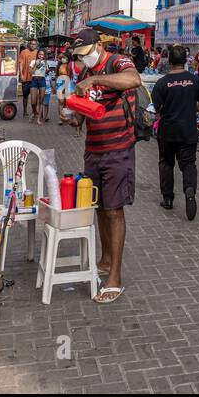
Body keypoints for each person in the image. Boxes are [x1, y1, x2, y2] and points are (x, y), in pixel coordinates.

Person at [70, 28, 143, 304]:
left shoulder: (117, 62)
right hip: (93, 150)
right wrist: (71, 114)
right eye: (79, 56)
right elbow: (81, 116)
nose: (82, 60)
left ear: (98, 46)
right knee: (99, 207)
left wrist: (97, 79)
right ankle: (105, 258)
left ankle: (115, 277)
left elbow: (133, 80)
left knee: (114, 209)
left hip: (118, 149)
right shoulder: (83, 74)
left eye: (86, 54)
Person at [150, 45, 199, 221]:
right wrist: (191, 107)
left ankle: (167, 199)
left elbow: (155, 110)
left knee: (166, 163)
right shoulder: (195, 81)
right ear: (185, 61)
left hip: (167, 131)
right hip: (188, 130)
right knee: (189, 164)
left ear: (170, 62)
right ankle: (189, 191)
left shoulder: (161, 83)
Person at [18, 40, 37, 117]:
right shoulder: (23, 52)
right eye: (31, 44)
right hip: (25, 77)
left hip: (34, 78)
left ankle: (34, 111)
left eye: (34, 44)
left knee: (34, 96)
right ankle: (25, 111)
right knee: (25, 96)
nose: (33, 45)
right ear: (29, 44)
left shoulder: (37, 52)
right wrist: (21, 75)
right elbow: (21, 63)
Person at [29, 50, 49, 124]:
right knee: (33, 102)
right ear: (38, 55)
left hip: (42, 80)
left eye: (42, 55)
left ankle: (38, 119)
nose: (41, 56)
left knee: (41, 101)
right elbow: (31, 72)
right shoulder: (33, 61)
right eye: (40, 54)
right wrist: (36, 66)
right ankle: (35, 112)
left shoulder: (45, 62)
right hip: (34, 80)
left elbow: (46, 72)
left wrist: (47, 70)